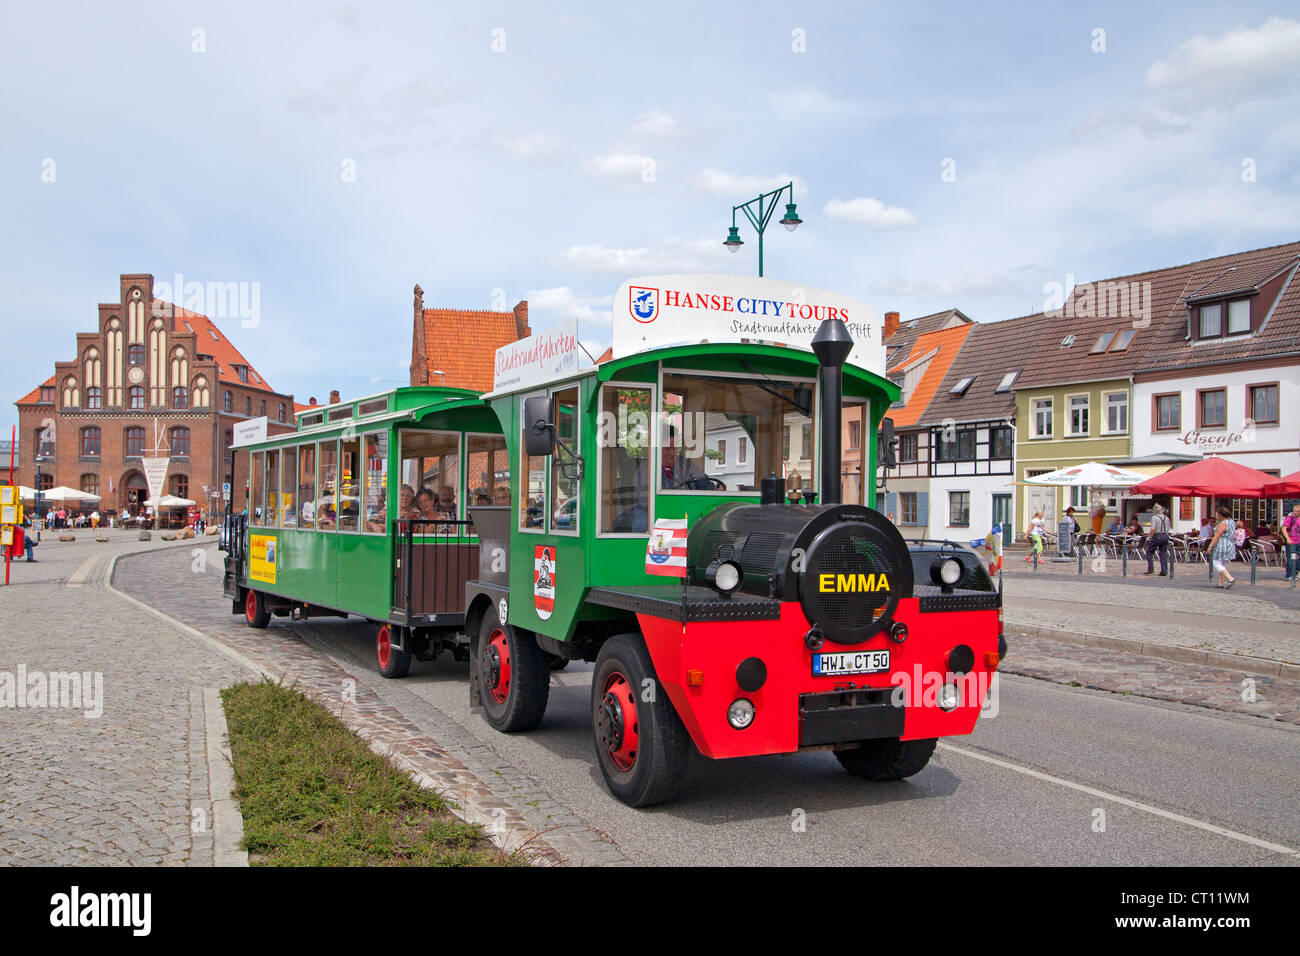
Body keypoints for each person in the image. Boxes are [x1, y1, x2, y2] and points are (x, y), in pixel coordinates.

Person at [1207, 504, 1237, 589]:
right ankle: (1220, 583)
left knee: (1216, 562)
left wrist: (1210, 546)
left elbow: (1217, 536)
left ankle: (1230, 578)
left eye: (1217, 514)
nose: (1216, 516)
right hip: (1230, 543)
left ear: (1221, 515)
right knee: (1223, 563)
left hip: (1222, 544)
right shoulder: (1231, 521)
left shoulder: (1223, 523)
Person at [1144, 503, 1171, 576]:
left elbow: (1153, 528)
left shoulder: (1154, 517)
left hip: (1157, 535)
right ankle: (1164, 571)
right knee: (1163, 554)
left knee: (1149, 552)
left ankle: (1150, 568)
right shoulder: (1166, 517)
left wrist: (1150, 537)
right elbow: (1169, 527)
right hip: (1165, 535)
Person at [1281, 502, 1300, 587]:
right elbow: (1284, 529)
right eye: (1294, 511)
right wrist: (1288, 539)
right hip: (1291, 541)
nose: (1295, 512)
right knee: (1290, 559)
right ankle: (1289, 575)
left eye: (1297, 511)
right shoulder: (1290, 518)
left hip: (1299, 541)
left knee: (1298, 559)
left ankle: (1295, 573)